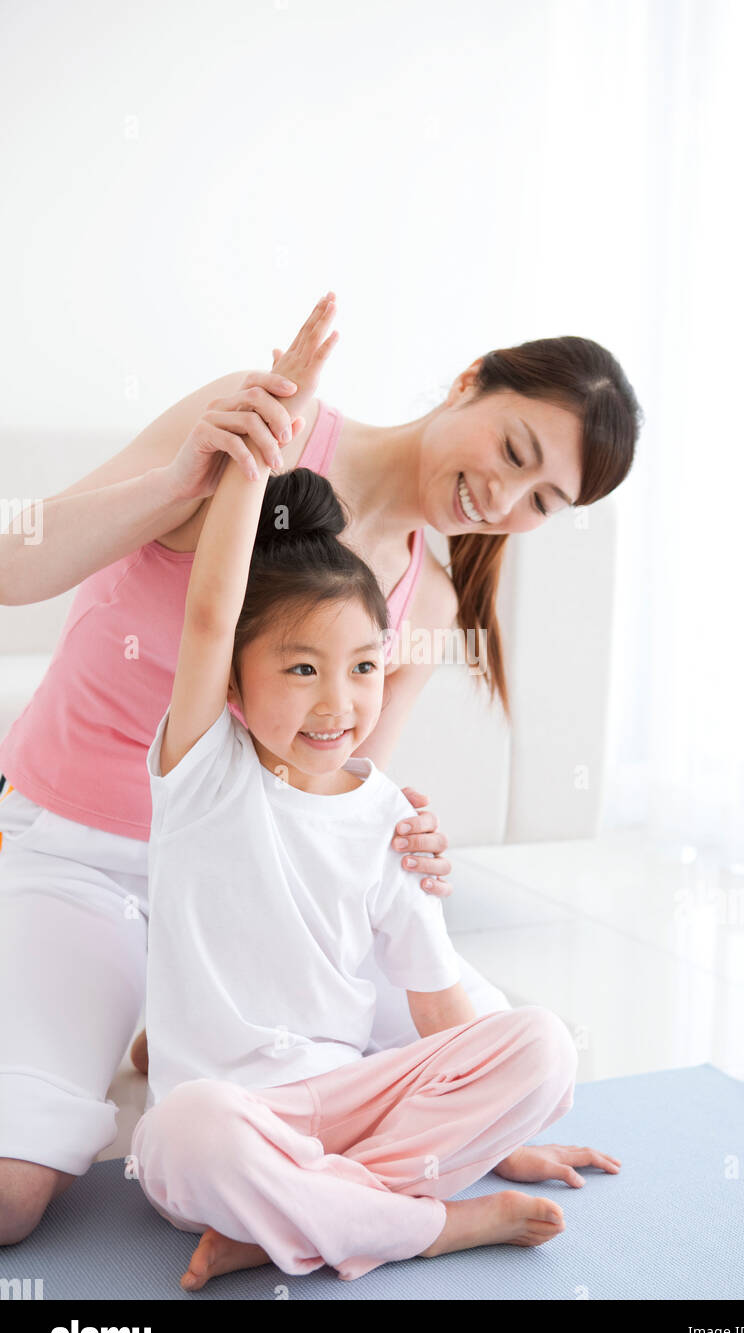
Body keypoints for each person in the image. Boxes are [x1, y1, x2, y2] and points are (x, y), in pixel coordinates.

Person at [0, 292, 641, 1248]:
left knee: (509, 1040)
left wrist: (401, 838)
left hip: (239, 900)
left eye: (544, 501)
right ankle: (352, 1192)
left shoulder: (423, 597)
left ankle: (289, 1177)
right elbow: (17, 567)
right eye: (514, 452)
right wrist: (185, 482)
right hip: (83, 859)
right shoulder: (265, 423)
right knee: (10, 1203)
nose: (505, 503)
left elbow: (327, 806)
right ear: (470, 380)